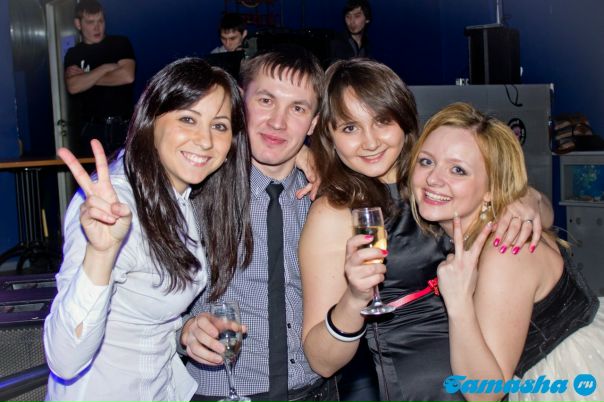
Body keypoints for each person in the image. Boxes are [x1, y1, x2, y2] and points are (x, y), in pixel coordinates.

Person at [299, 59, 554, 401]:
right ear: (329, 135)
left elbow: (532, 212)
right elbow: (321, 361)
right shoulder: (336, 213)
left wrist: (527, 200)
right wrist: (354, 299)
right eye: (349, 128)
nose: (369, 142)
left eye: (381, 121)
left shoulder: (429, 178)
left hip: (490, 370)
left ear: (403, 118)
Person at [43, 57, 252, 402]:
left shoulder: (181, 193)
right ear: (152, 120)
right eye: (188, 119)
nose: (205, 140)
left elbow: (138, 310)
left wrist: (184, 330)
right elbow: (64, 360)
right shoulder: (116, 203)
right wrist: (101, 254)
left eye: (219, 126)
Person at [408, 102, 603, 402]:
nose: (433, 178)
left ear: (491, 189)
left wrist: (458, 302)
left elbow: (486, 392)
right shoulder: (491, 225)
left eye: (458, 170)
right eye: (426, 161)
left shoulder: (504, 250)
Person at [180, 47, 342, 402]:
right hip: (221, 392)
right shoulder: (195, 190)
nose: (278, 122)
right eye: (266, 100)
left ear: (313, 123)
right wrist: (183, 331)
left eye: (297, 108)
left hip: (315, 392)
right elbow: (141, 301)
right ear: (240, 102)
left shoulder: (328, 199)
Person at [64, 0, 135, 156]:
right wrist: (105, 68)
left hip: (123, 126)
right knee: (93, 170)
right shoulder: (74, 54)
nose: (97, 27)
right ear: (78, 24)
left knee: (126, 169)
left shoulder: (120, 43)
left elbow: (127, 76)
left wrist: (86, 78)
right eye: (90, 22)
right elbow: (73, 87)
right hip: (92, 127)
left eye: (100, 21)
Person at [327, 0, 372, 66]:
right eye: (348, 16)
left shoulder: (367, 45)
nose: (351, 21)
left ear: (367, 19)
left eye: (357, 16)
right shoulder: (336, 43)